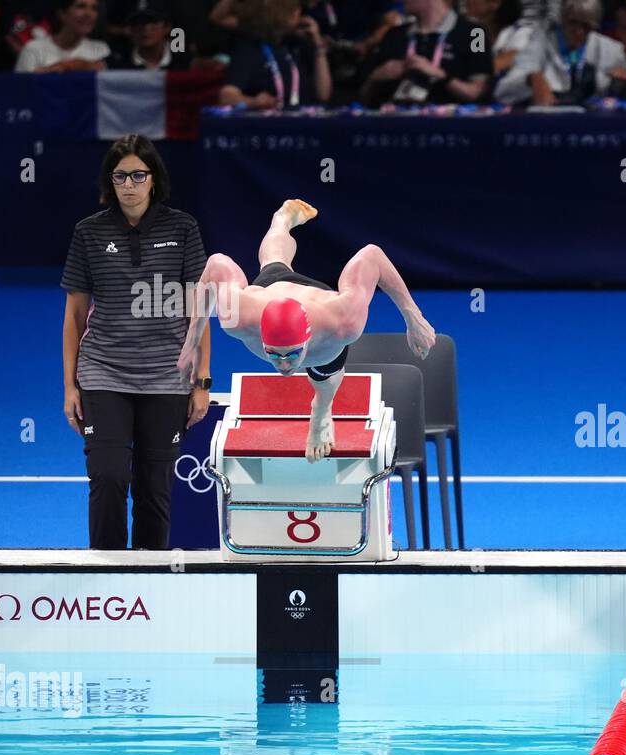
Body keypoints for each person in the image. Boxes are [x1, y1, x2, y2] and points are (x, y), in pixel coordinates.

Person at [178, 200, 437, 462]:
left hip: (320, 303)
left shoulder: (343, 322)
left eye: (291, 355)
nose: (282, 365)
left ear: (307, 339)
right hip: (272, 290)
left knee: (325, 374)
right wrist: (191, 342)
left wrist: (413, 318)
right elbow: (216, 265)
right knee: (272, 261)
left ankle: (321, 410)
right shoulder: (239, 318)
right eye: (273, 354)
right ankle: (282, 220)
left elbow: (372, 255)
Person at [61, 134, 211, 550]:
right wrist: (70, 386)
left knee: (154, 490)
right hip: (103, 373)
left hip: (167, 377)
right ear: (110, 182)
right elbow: (74, 317)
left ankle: (150, 580)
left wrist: (202, 383)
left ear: (153, 179)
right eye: (120, 176)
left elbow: (199, 313)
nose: (129, 184)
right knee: (108, 476)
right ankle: (106, 573)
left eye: (138, 175)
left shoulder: (183, 229)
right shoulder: (88, 233)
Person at [497, 0, 626, 106]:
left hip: (593, 125)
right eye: (573, 23)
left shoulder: (609, 49)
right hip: (547, 125)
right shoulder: (539, 44)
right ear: (563, 19)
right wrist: (530, 78)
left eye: (586, 26)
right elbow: (503, 92)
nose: (579, 31)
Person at [360, 0, 492, 107]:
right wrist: (375, 78)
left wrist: (441, 76)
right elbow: (363, 98)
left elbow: (477, 92)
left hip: (450, 124)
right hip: (396, 122)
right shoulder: (394, 35)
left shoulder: (476, 34)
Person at [220, 0, 331, 108]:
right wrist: (253, 102)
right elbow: (227, 96)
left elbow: (323, 94)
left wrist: (318, 45)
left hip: (302, 121)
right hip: (269, 123)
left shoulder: (297, 45)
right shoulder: (251, 48)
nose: (300, 15)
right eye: (293, 11)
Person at [14, 0, 108, 71]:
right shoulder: (33, 49)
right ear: (62, 14)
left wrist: (70, 65)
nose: (89, 14)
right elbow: (22, 91)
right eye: (81, 6)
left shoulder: (101, 50)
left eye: (94, 8)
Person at [105, 0, 192, 68]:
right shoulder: (116, 65)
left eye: (153, 21)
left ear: (166, 27)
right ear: (130, 30)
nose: (145, 28)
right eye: (139, 22)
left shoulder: (185, 64)